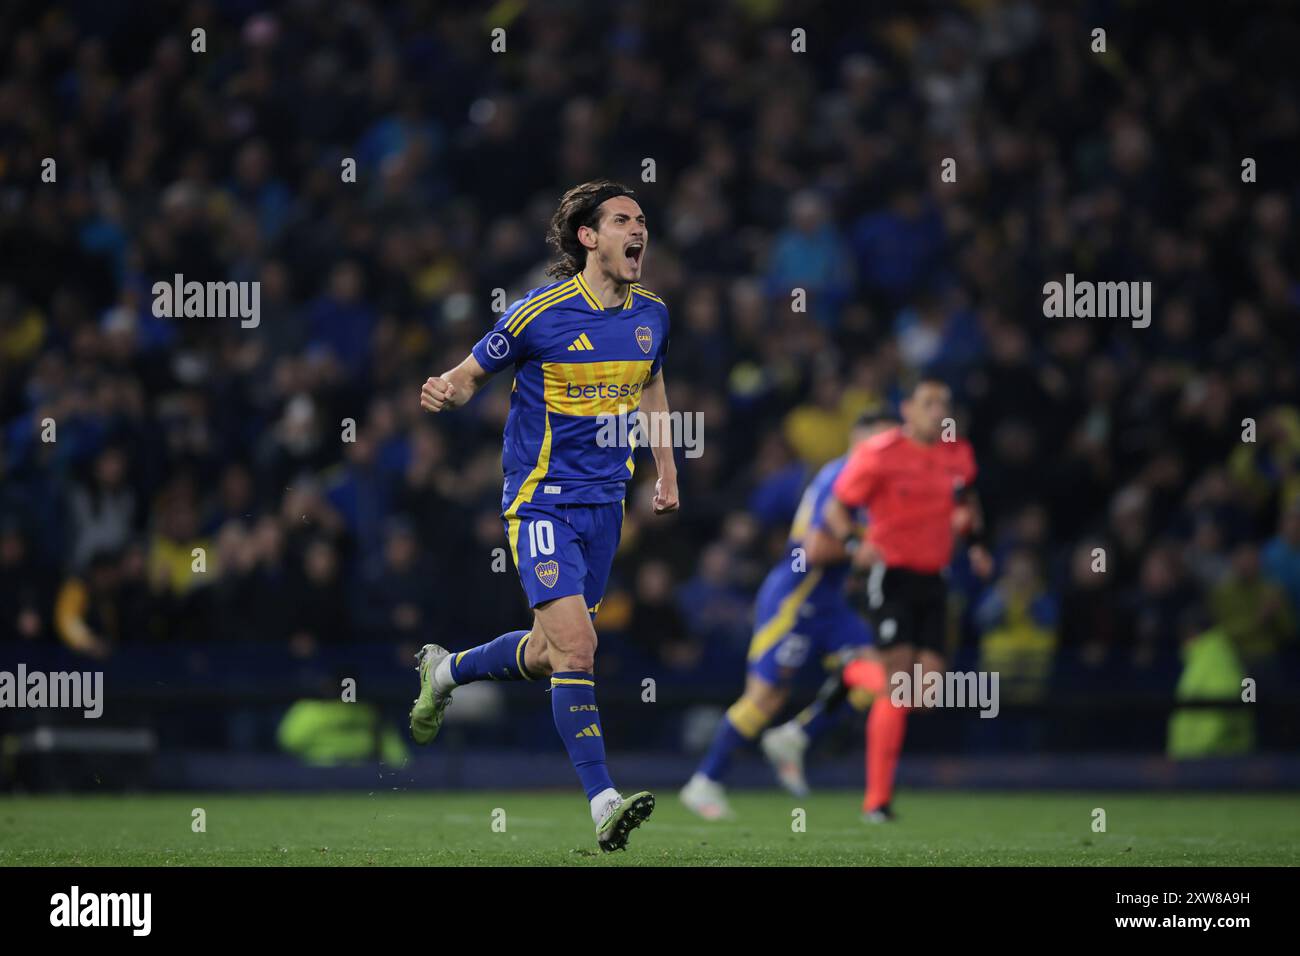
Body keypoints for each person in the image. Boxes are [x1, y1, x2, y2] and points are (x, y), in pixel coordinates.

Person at [410, 180, 678, 852]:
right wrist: (447, 387)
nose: (637, 229)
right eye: (622, 219)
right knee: (580, 649)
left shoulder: (652, 316)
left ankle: (445, 672)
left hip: (605, 508)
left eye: (642, 220)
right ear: (589, 237)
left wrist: (667, 469)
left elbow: (652, 385)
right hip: (542, 502)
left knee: (547, 651)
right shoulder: (541, 312)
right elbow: (472, 372)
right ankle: (604, 803)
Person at [680, 411, 897, 820]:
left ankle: (797, 735)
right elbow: (814, 550)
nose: (885, 453)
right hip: (795, 599)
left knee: (875, 679)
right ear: (858, 440)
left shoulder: (868, 483)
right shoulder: (842, 477)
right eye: (878, 443)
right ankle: (704, 781)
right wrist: (860, 551)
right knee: (765, 697)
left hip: (830, 601)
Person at [833, 378, 991, 822]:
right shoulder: (881, 453)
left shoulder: (957, 452)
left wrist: (975, 542)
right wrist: (851, 544)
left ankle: (852, 671)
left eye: (944, 403)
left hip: (935, 578)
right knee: (899, 689)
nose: (938, 411)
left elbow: (966, 500)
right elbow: (838, 506)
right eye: (928, 403)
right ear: (908, 409)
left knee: (924, 694)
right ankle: (876, 802)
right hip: (893, 575)